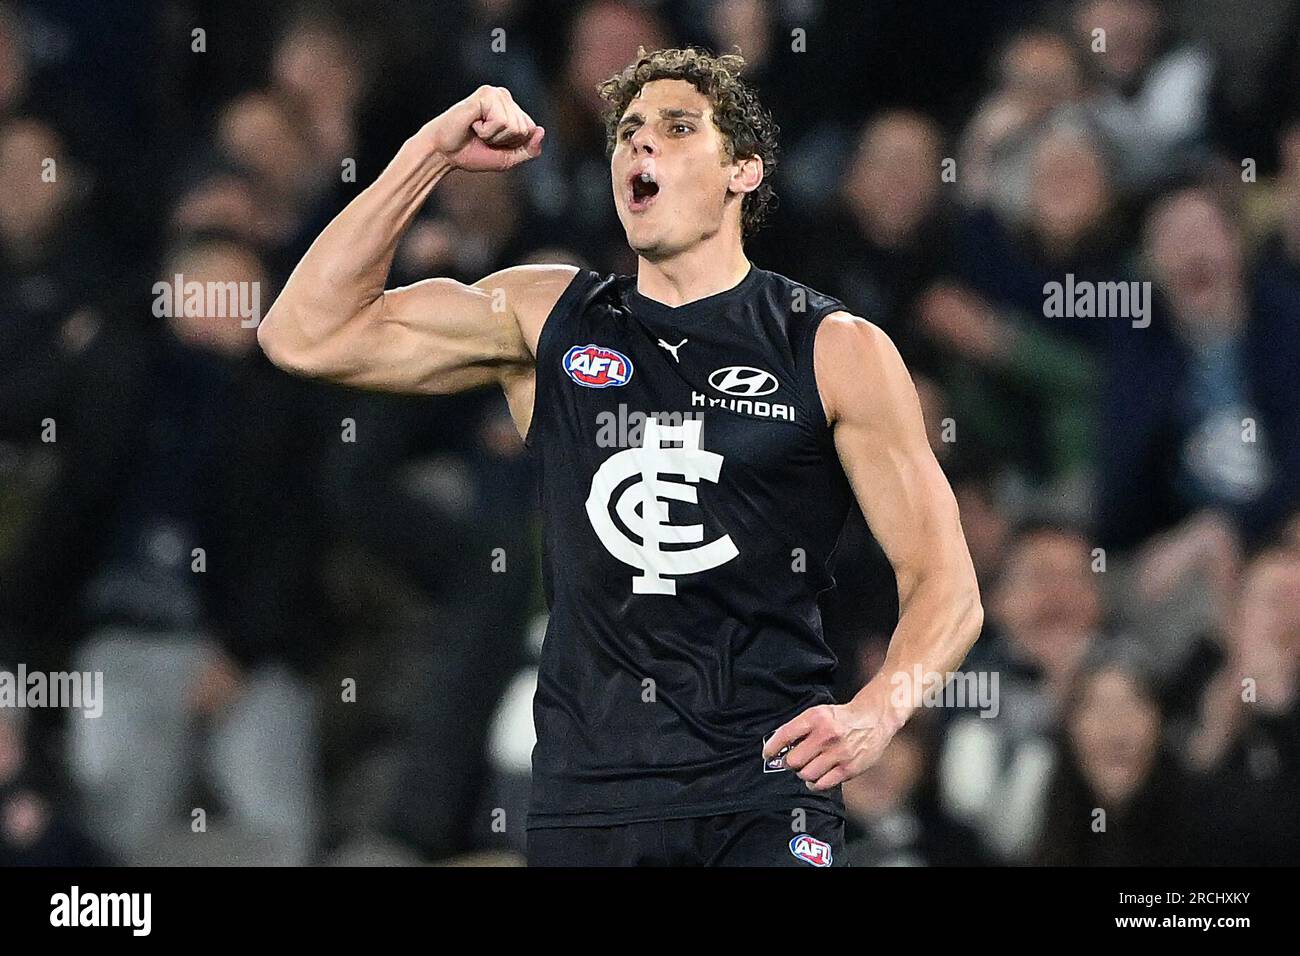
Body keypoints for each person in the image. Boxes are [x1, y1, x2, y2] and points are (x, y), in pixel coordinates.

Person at [257, 47, 983, 867]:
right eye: (628, 132)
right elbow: (302, 334)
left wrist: (879, 710)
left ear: (743, 169)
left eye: (677, 129)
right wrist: (428, 154)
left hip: (765, 788)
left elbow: (946, 583)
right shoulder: (548, 317)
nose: (642, 147)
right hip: (588, 800)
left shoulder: (830, 347)